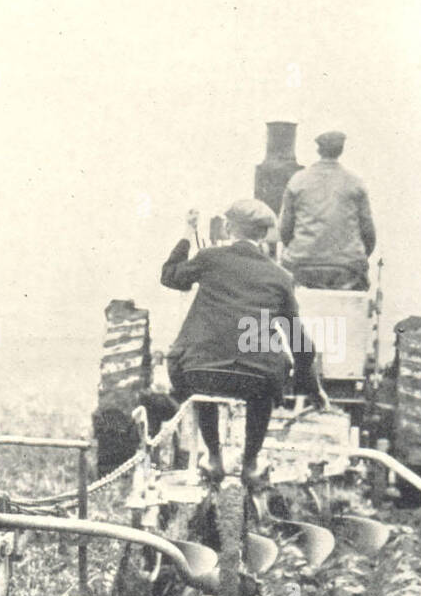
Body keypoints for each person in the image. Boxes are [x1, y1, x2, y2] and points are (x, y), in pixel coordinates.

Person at [161, 200, 325, 489]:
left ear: (227, 227)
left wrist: (188, 231)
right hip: (257, 379)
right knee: (265, 373)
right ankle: (250, 463)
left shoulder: (210, 258)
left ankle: (213, 456)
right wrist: (312, 388)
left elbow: (170, 276)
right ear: (264, 235)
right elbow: (299, 342)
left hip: (202, 373)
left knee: (200, 374)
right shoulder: (281, 277)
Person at [278, 130, 376, 291]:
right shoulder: (355, 182)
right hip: (347, 269)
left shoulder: (298, 180)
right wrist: (353, 258)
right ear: (341, 150)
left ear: (318, 150)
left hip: (301, 265)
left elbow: (285, 229)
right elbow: (368, 232)